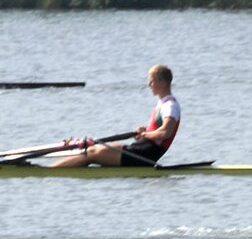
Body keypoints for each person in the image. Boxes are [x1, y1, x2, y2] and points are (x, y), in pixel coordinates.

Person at [51, 64, 181, 168]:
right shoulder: (163, 103)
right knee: (92, 148)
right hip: (141, 149)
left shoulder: (170, 106)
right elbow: (157, 133)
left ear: (162, 83)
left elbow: (165, 132)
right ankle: (54, 169)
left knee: (91, 153)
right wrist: (145, 132)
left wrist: (145, 135)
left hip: (145, 155)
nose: (149, 85)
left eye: (151, 81)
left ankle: (50, 172)